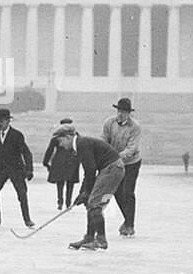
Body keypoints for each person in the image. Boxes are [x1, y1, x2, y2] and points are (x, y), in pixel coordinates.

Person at [50, 124, 124, 251]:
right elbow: (88, 172)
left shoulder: (81, 144)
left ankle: (101, 240)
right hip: (110, 169)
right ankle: (89, 238)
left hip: (112, 169)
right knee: (90, 202)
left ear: (68, 137)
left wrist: (86, 192)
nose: (60, 145)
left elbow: (90, 170)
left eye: (60, 141)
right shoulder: (80, 143)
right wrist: (82, 193)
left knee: (95, 203)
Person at [102, 98, 142, 237]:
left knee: (128, 191)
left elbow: (131, 148)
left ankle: (130, 224)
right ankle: (127, 220)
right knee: (117, 192)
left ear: (129, 113)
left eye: (124, 112)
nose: (121, 114)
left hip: (131, 162)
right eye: (119, 111)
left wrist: (117, 156)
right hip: (114, 162)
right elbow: (104, 141)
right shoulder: (109, 123)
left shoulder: (135, 127)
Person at [42, 116, 80, 209]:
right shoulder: (76, 136)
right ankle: (67, 202)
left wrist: (46, 162)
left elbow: (50, 150)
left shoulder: (57, 137)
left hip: (61, 161)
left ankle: (61, 201)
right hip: (71, 161)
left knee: (60, 183)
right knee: (69, 183)